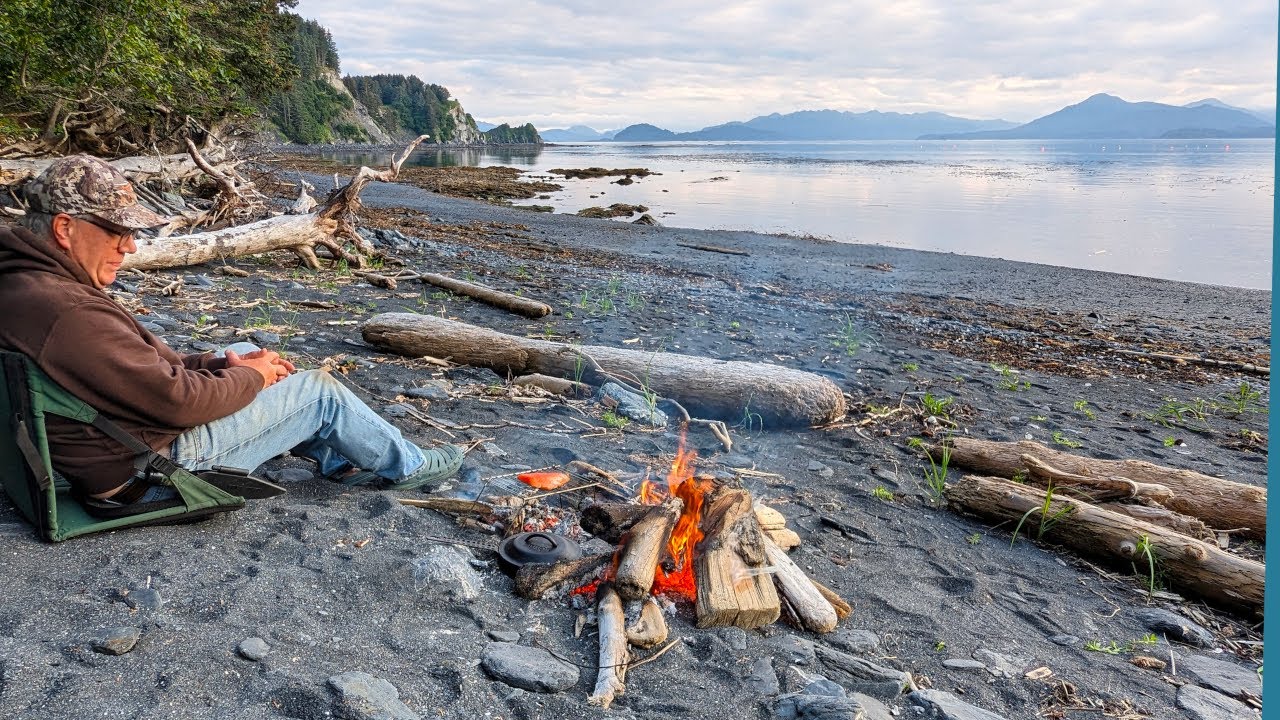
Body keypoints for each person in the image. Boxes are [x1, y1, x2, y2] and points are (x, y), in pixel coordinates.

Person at [0, 155, 463, 516]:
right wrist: (252, 378)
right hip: (149, 469)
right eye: (118, 230)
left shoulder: (29, 286)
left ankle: (341, 459)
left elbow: (132, 370)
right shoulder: (68, 310)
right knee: (320, 393)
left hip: (116, 441)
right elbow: (176, 401)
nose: (131, 245)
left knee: (242, 351)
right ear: (65, 228)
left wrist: (219, 365)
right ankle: (409, 466)